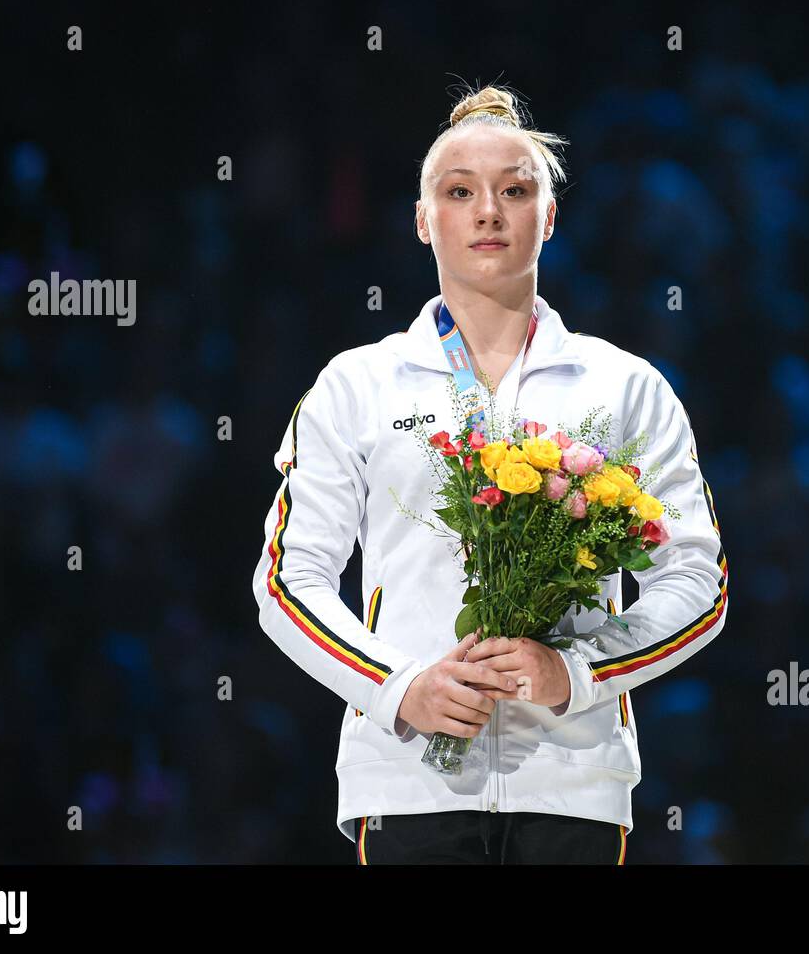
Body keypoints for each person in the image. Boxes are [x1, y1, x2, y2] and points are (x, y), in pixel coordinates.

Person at [251, 83, 729, 864]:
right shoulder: (358, 384)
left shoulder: (625, 387)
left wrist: (576, 672)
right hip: (408, 780)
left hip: (572, 779)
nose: (488, 211)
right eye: (459, 191)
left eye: (515, 190)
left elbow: (697, 579)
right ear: (420, 219)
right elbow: (287, 579)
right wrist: (400, 687)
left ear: (549, 216)